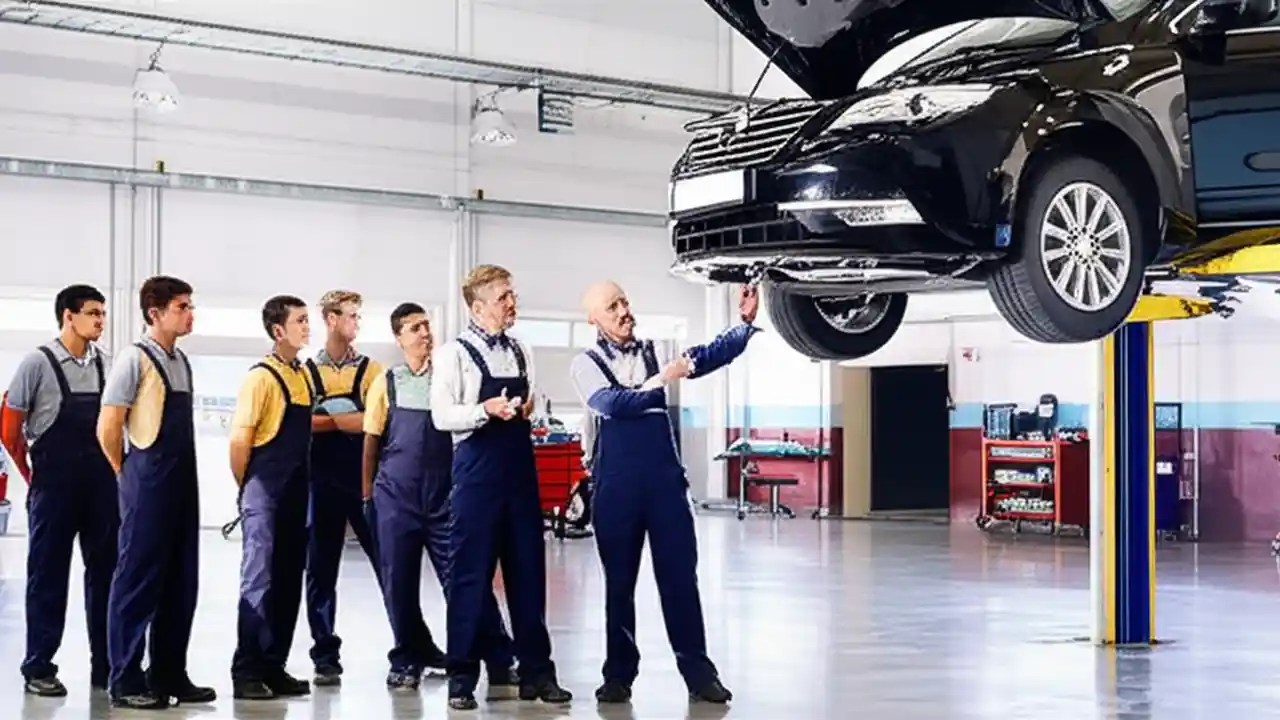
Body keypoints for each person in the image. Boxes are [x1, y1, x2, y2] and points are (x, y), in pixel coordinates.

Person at [569, 280, 760, 705]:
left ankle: (698, 673)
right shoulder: (586, 364)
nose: (623, 310)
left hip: (665, 488)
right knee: (618, 585)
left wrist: (743, 324)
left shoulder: (656, 349)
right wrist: (661, 381)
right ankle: (618, 675)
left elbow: (708, 356)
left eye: (624, 300)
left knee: (679, 581)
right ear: (594, 319)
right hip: (616, 489)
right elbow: (613, 405)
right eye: (612, 306)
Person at [430, 264, 571, 711]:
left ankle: (536, 673)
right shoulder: (453, 353)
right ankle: (461, 677)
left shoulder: (522, 349)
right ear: (478, 306)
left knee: (528, 572)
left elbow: (530, 399)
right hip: (476, 472)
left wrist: (524, 408)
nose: (513, 303)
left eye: (513, 295)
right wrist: (483, 409)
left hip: (519, 470)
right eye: (503, 297)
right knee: (471, 575)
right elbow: (441, 415)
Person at [362, 303, 516, 691]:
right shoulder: (387, 382)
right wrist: (368, 494)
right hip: (396, 499)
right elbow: (371, 440)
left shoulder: (449, 373)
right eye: (415, 328)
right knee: (398, 584)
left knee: (468, 581)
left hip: (446, 498)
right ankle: (407, 658)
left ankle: (498, 656)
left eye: (427, 326)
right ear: (399, 338)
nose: (425, 334)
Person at [97, 275, 215, 710]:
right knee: (137, 579)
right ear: (155, 313)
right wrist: (125, 474)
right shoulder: (134, 358)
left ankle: (168, 671)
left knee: (181, 580)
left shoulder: (180, 361)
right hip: (146, 480)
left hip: (183, 481)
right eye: (182, 306)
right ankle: (125, 679)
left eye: (190, 305)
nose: (190, 314)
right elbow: (109, 426)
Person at [2, 285, 115, 696]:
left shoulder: (107, 364)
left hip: (102, 487)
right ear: (68, 316)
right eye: (93, 313)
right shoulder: (37, 363)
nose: (101, 321)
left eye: (103, 313)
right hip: (53, 487)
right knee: (47, 576)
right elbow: (10, 430)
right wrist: (32, 477)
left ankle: (107, 664)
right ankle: (38, 667)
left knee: (106, 574)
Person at [228, 295, 316, 700]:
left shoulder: (303, 376)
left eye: (306, 320)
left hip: (297, 490)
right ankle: (246, 671)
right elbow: (240, 444)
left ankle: (273, 665)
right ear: (278, 330)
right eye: (299, 321)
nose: (306, 327)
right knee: (258, 581)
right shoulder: (260, 378)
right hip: (264, 491)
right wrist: (249, 493)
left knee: (287, 581)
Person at [302, 289, 382, 686]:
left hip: (363, 481)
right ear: (331, 319)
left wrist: (326, 416)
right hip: (320, 484)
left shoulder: (372, 371)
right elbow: (300, 424)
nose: (356, 323)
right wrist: (344, 419)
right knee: (320, 571)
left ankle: (411, 645)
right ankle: (325, 654)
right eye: (351, 315)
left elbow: (376, 423)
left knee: (389, 565)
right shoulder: (305, 371)